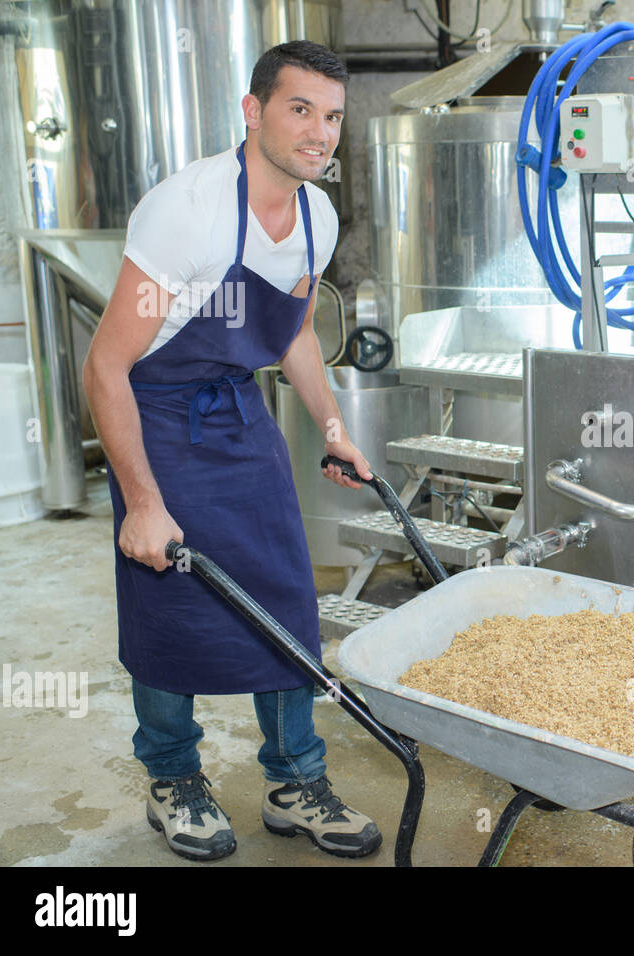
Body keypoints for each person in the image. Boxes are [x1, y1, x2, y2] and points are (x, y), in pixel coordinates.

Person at [84, 40, 381, 862]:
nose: (320, 132)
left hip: (238, 411)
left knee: (286, 595)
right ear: (252, 113)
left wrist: (332, 429)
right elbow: (106, 364)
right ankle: (174, 775)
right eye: (300, 109)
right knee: (169, 601)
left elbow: (291, 341)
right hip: (157, 412)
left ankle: (295, 777)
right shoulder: (187, 212)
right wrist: (144, 502)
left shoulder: (315, 215)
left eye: (332, 116)